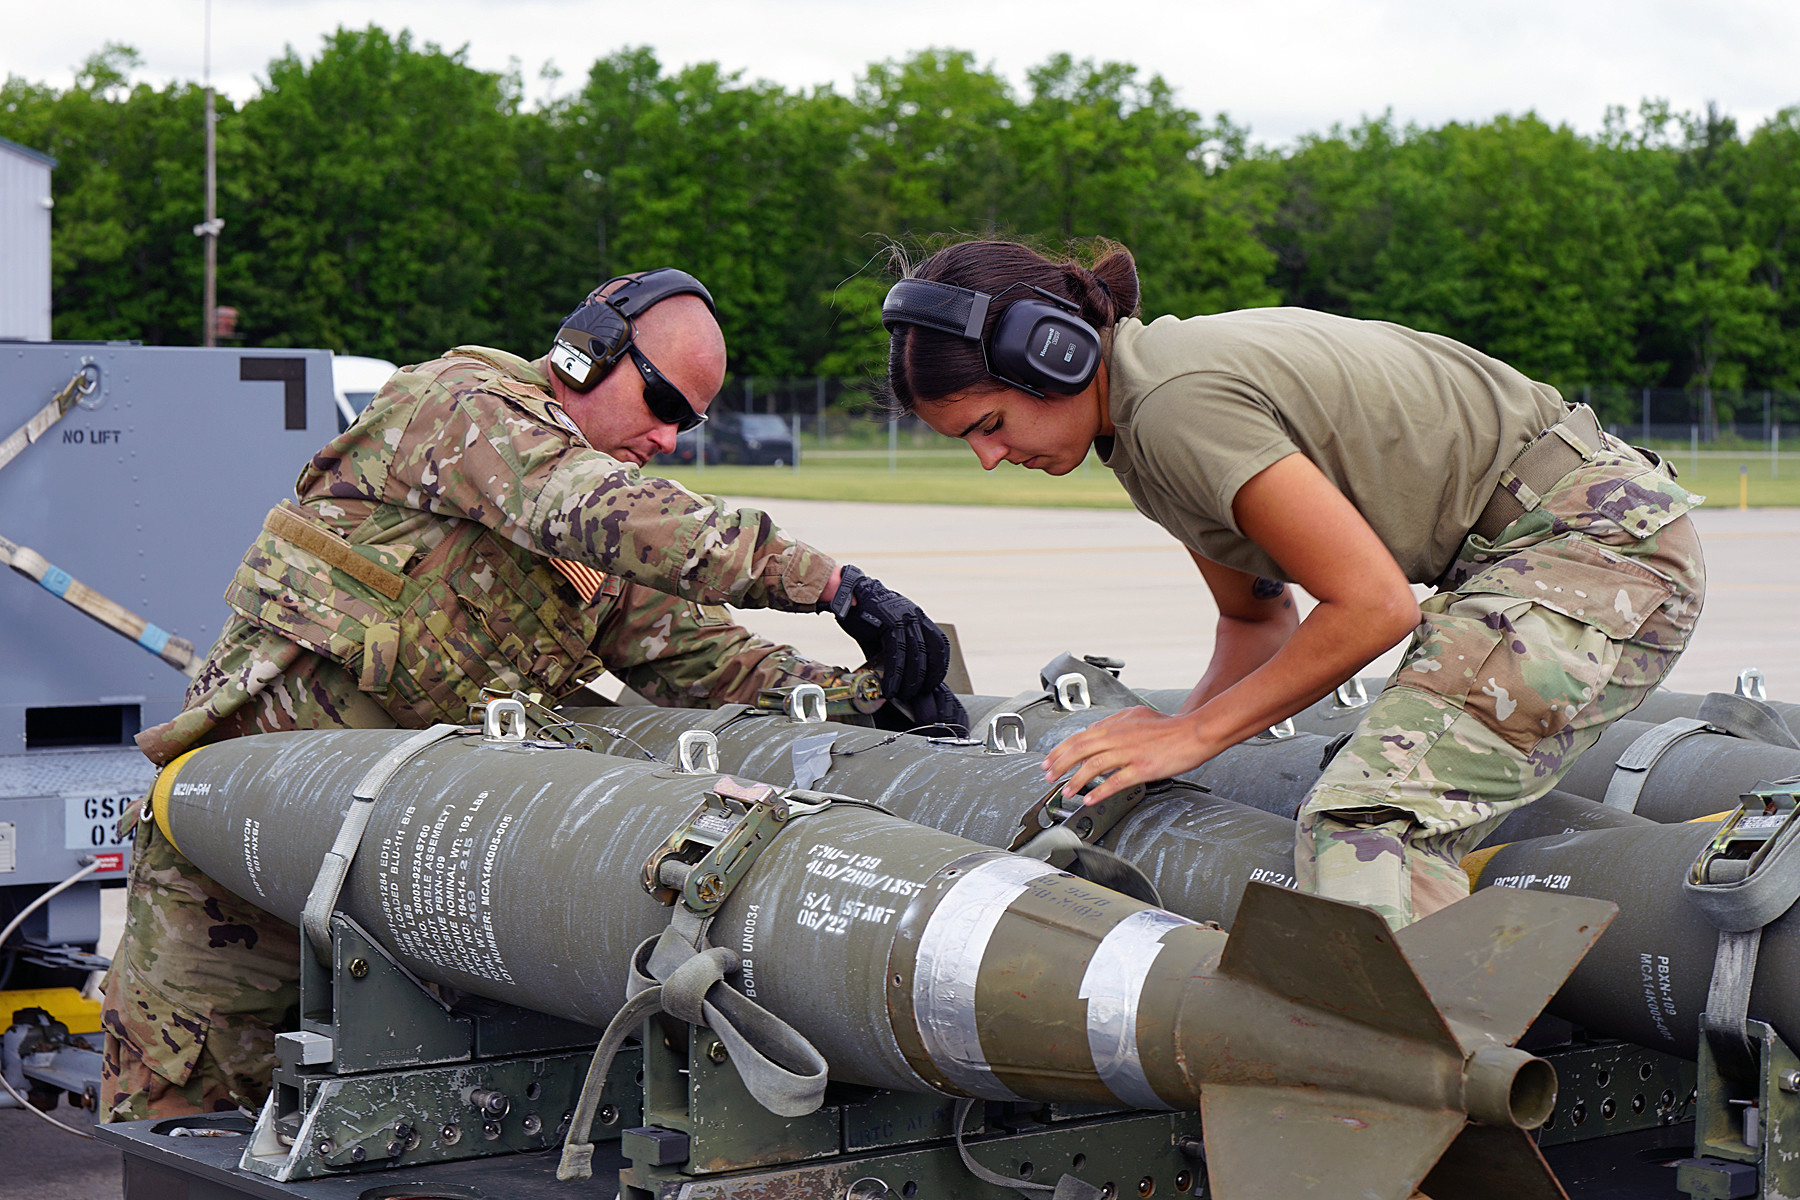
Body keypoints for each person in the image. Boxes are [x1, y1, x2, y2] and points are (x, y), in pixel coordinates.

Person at [102, 268, 966, 1121]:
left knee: (374, 1128)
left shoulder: (598, 551)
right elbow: (591, 506)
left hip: (399, 866)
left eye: (689, 424)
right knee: (188, 1112)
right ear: (591, 352)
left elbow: (710, 663)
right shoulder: (458, 407)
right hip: (243, 841)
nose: (670, 439)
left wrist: (869, 698)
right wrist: (831, 583)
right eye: (664, 405)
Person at [880, 239, 1704, 931]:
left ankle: (1409, 1100)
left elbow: (1374, 606)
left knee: (1371, 824)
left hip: (1592, 553)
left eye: (989, 424)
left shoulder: (1174, 406)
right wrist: (1175, 737)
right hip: (1535, 559)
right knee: (1376, 784)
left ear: (1053, 354)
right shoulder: (1141, 424)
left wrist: (1191, 737)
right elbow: (1254, 623)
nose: (990, 456)